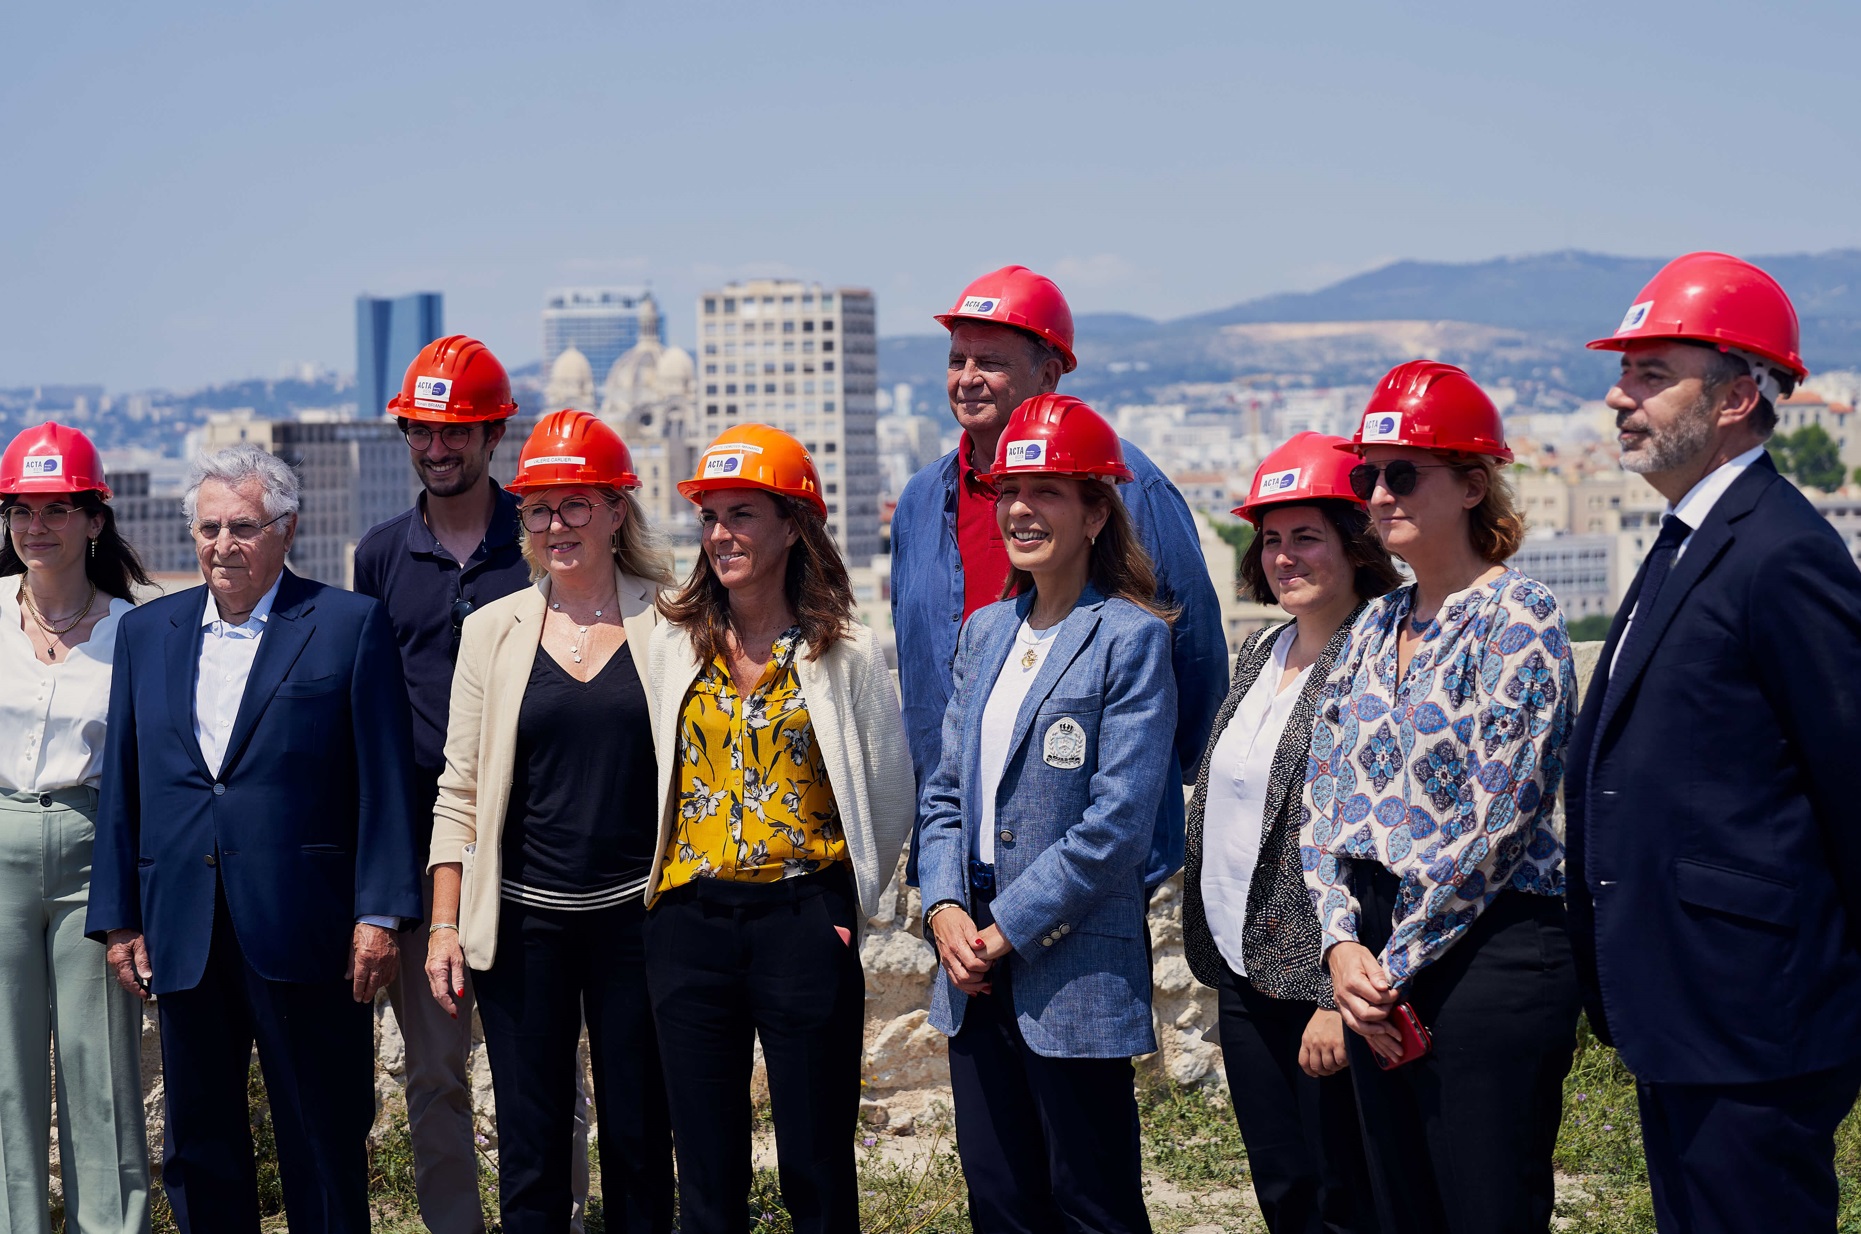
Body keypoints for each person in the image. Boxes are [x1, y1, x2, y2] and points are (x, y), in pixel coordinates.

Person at [1567, 253, 1861, 1234]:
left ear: (1738, 394)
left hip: (1756, 1026)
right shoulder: (1685, 537)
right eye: (1625, 373)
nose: (1619, 396)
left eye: (1652, 374)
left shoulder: (1781, 556)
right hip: (1683, 1011)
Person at [87, 444, 421, 1234]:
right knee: (198, 1145)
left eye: (243, 526)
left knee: (322, 1134)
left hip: (307, 925)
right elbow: (126, 787)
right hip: (185, 926)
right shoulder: (148, 632)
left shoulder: (346, 625)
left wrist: (380, 914)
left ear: (286, 529)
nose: (222, 544)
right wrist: (120, 916)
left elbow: (383, 781)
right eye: (208, 528)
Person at [1301, 362, 1580, 1234]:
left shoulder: (1519, 619)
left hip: (1487, 949)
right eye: (1366, 476)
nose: (1377, 494)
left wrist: (1385, 970)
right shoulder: (1372, 626)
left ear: (1470, 485)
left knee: (1486, 1205)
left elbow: (1497, 821)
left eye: (1400, 473)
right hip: (1379, 955)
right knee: (1402, 1207)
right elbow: (1322, 799)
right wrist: (1344, 948)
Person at [642, 424, 914, 1234]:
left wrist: (844, 906)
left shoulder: (847, 654)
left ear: (793, 526)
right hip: (689, 920)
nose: (721, 534)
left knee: (815, 1154)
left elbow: (888, 794)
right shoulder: (669, 640)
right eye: (709, 516)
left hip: (802, 919)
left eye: (743, 515)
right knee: (705, 1158)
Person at [918, 394, 1178, 1234]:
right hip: (971, 959)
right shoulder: (984, 632)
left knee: (1091, 1201)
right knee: (998, 1199)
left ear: (1097, 512)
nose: (1021, 510)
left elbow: (1117, 825)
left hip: (1066, 954)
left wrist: (1007, 927)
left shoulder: (1128, 637)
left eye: (1048, 492)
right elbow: (946, 793)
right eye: (1009, 493)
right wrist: (945, 907)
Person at [891, 265, 1225, 889]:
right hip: (961, 853)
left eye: (988, 361)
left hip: (1090, 859)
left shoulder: (1127, 483)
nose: (966, 380)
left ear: (1047, 375)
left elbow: (1195, 653)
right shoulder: (919, 501)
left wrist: (1138, 790)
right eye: (956, 358)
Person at [425, 411, 676, 1234]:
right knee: (529, 1145)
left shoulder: (673, 620)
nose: (555, 525)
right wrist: (442, 924)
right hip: (525, 926)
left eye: (575, 505)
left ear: (614, 511)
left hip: (640, 920)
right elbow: (458, 788)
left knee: (642, 1135)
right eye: (538, 509)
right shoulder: (492, 629)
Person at [354, 334, 573, 1234]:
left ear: (494, 435)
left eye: (456, 432)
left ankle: (553, 1218)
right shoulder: (377, 557)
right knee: (434, 1071)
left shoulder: (546, 537)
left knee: (548, 1070)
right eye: (421, 432)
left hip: (534, 844)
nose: (437, 449)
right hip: (418, 853)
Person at [1181, 433, 1398, 1234]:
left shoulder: (1376, 656)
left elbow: (1373, 842)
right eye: (1269, 539)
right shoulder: (1261, 651)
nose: (1282, 556)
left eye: (1305, 535)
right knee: (1280, 1182)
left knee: (1343, 1190)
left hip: (1320, 982)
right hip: (1242, 965)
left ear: (1354, 543)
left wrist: (1330, 998)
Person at [0, 423, 152, 1234]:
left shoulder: (136, 629)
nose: (35, 527)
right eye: (21, 509)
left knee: (101, 1071)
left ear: (96, 520)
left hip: (96, 850)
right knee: (4, 1075)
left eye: (56, 508)